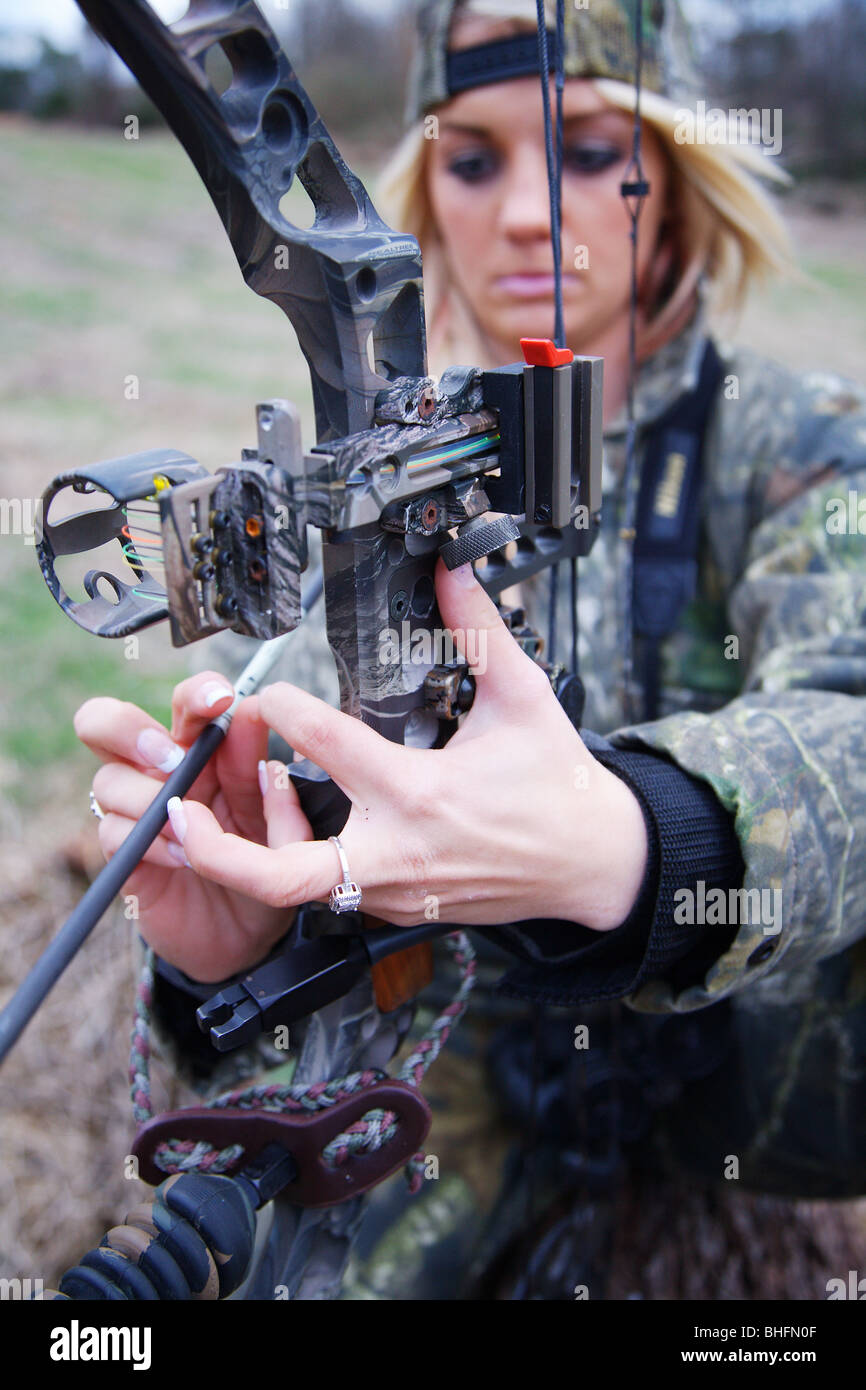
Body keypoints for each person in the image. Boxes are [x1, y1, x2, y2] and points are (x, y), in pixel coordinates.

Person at [73, 0, 866, 1298]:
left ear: (667, 182)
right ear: (420, 197)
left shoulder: (792, 438)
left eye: (592, 149)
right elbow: (378, 898)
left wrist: (630, 841)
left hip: (741, 1082)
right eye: (474, 156)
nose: (525, 214)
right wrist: (259, 950)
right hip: (479, 1072)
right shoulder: (389, 467)